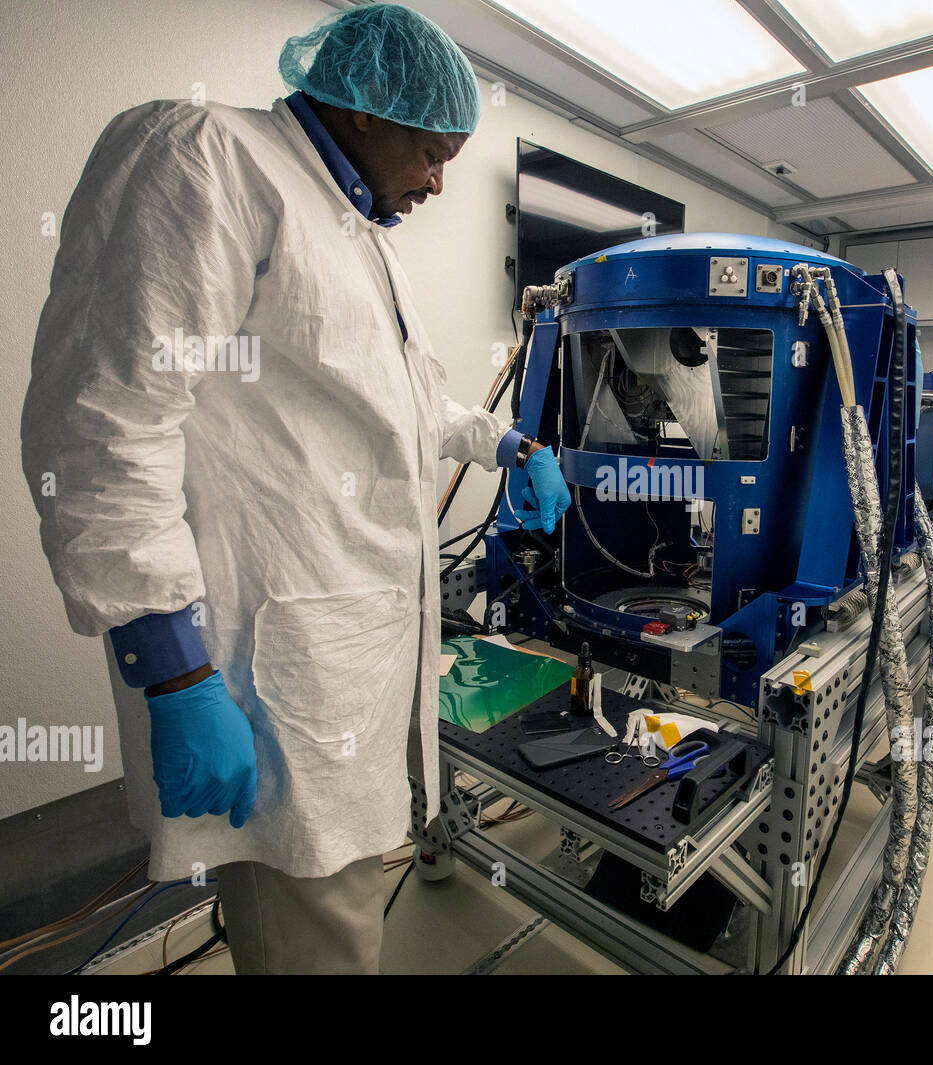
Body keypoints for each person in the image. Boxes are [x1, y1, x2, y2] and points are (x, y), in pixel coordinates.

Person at [20, 4, 570, 974]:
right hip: (261, 657)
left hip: (348, 645)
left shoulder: (359, 232)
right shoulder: (208, 155)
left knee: (333, 909)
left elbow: (401, 407)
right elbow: (105, 420)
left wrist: (505, 442)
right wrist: (175, 668)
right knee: (313, 938)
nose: (441, 184)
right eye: (435, 154)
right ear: (365, 109)